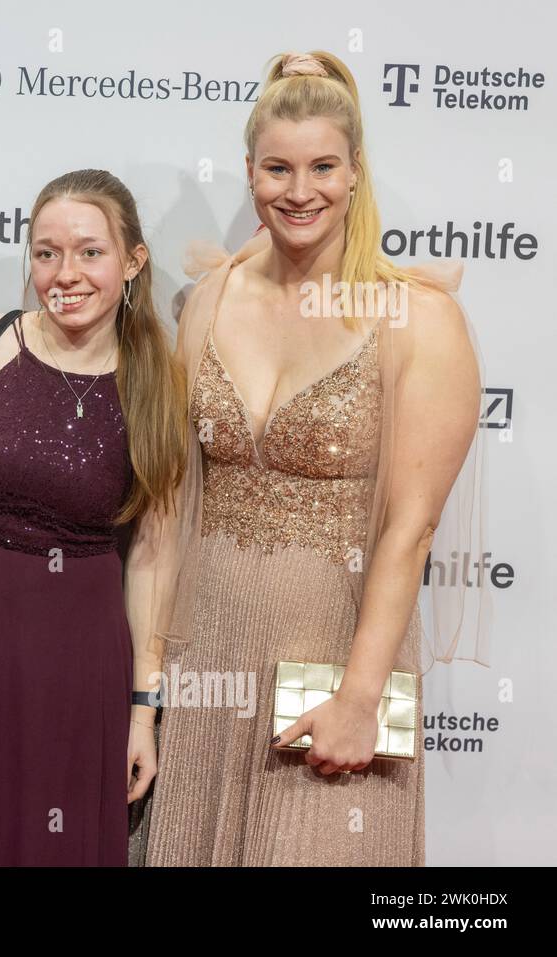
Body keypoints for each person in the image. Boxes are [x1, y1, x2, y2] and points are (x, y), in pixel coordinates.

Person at [137, 51, 489, 866]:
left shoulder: (416, 318)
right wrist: (147, 686)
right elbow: (169, 505)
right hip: (210, 654)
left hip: (336, 658)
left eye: (324, 166)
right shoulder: (210, 298)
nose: (300, 192)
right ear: (249, 172)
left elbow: (412, 526)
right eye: (278, 169)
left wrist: (360, 699)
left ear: (357, 170)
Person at [0, 170, 186, 865]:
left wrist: (142, 710)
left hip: (77, 661)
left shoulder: (157, 380)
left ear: (133, 261)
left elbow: (152, 554)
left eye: (90, 252)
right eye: (46, 252)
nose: (65, 274)